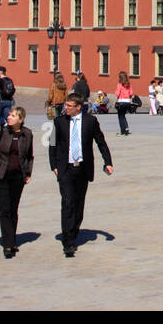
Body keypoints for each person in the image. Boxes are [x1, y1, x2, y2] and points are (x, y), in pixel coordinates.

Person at [48, 94, 113, 257]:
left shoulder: (90, 121)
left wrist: (108, 162)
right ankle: (68, 242)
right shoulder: (59, 122)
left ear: (78, 107)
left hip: (83, 168)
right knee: (68, 202)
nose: (65, 108)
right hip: (65, 169)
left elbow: (100, 141)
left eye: (69, 105)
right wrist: (54, 166)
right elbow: (52, 145)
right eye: (65, 105)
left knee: (78, 205)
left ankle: (73, 231)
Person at [0, 105, 33, 258]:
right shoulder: (1, 132)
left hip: (18, 176)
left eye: (13, 115)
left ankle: (12, 240)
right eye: (9, 115)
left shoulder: (27, 134)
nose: (9, 117)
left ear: (21, 119)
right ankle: (8, 244)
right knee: (5, 209)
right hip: (1, 176)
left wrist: (28, 173)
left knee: (13, 209)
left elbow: (29, 156)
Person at [114, 71, 135, 135]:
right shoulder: (129, 84)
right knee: (123, 115)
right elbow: (131, 93)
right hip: (127, 102)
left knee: (120, 116)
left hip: (121, 101)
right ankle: (126, 127)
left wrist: (116, 92)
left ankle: (123, 131)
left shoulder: (119, 84)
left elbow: (117, 93)